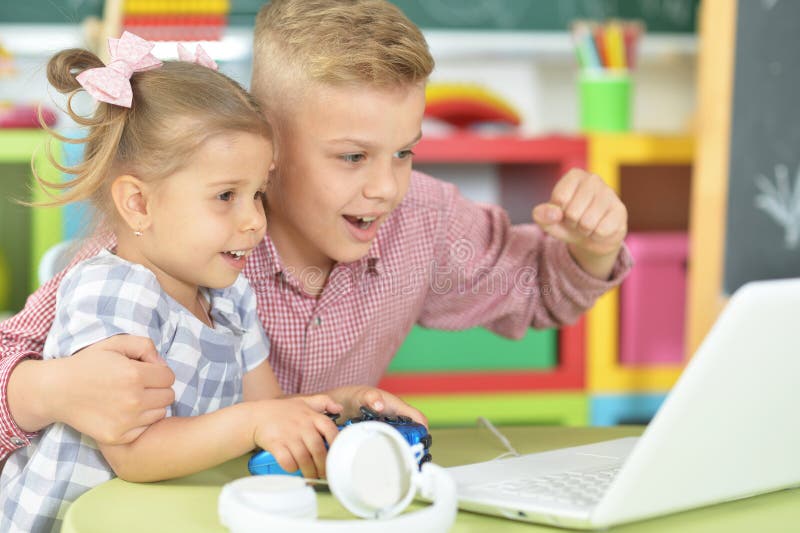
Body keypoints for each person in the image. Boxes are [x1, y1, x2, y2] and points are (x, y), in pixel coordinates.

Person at [0, 0, 631, 465]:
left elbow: (537, 286)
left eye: (405, 152)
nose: (386, 187)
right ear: (264, 137)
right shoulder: (172, 240)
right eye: (352, 157)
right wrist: (47, 389)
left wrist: (591, 246)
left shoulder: (422, 223)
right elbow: (13, 360)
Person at [0, 33, 421, 531]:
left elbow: (263, 409)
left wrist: (337, 406)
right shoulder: (112, 291)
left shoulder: (230, 297)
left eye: (258, 194)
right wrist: (253, 424)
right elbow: (134, 454)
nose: (254, 222)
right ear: (138, 203)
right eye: (225, 196)